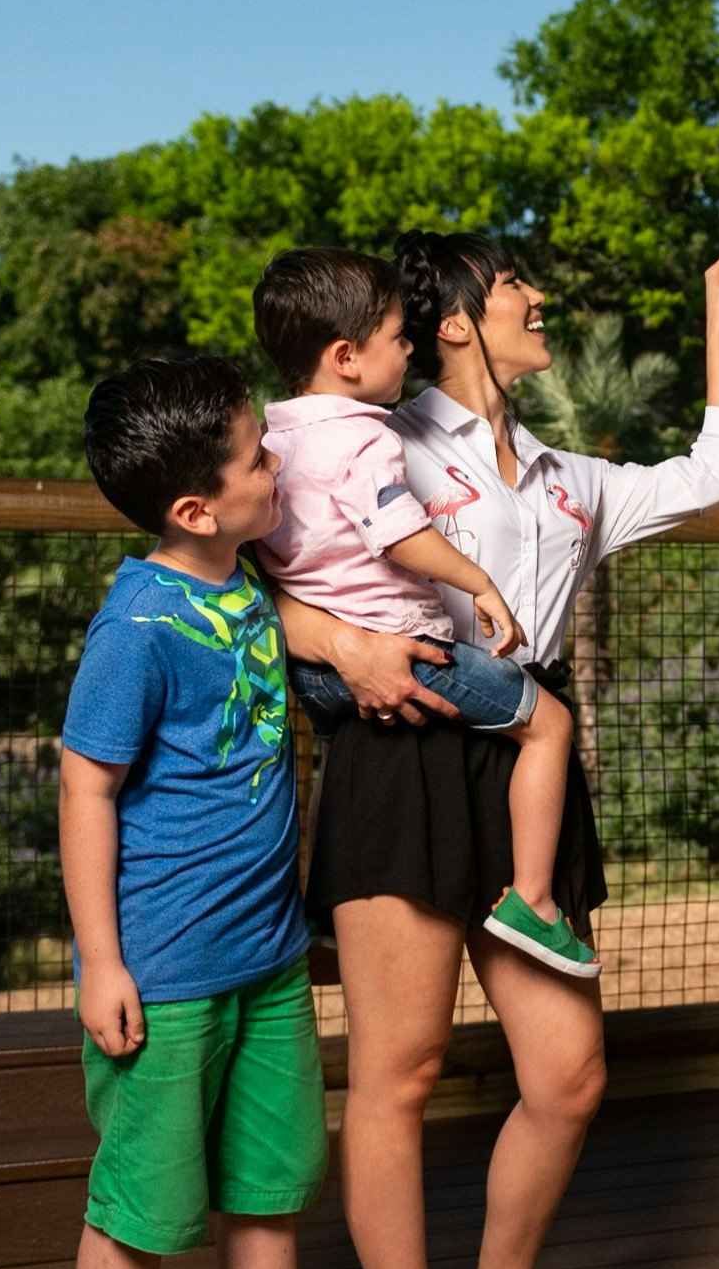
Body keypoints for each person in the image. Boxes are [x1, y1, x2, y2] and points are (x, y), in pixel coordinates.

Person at [277, 233, 719, 1269]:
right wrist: (341, 645)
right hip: (403, 749)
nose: (538, 298)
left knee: (568, 1074)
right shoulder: (369, 432)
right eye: (512, 287)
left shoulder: (568, 478)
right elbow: (254, 574)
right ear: (453, 322)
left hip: (529, 749)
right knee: (400, 1073)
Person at [63, 356, 327, 1269]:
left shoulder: (247, 581)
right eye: (258, 457)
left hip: (270, 961)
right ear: (195, 510)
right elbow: (86, 791)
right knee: (138, 1209)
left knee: (267, 1194)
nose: (276, 464)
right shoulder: (135, 629)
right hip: (165, 976)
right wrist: (104, 964)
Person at [252, 247, 594, 978]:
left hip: (318, 679)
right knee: (550, 724)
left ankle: (323, 918)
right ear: (346, 357)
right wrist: (478, 581)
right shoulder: (366, 436)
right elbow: (398, 532)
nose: (410, 348)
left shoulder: (272, 444)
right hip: (410, 653)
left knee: (340, 761)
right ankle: (532, 901)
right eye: (396, 337)